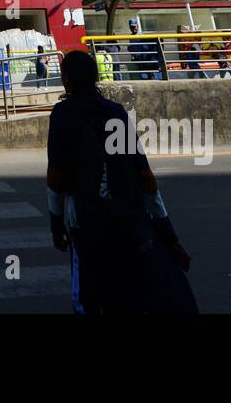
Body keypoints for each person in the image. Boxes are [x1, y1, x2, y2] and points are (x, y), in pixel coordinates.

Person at [46, 50, 197, 315]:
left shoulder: (62, 115)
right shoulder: (115, 112)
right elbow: (144, 176)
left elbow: (55, 178)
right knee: (130, 295)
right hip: (126, 219)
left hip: (84, 222)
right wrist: (168, 234)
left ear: (67, 80)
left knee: (87, 297)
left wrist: (55, 225)